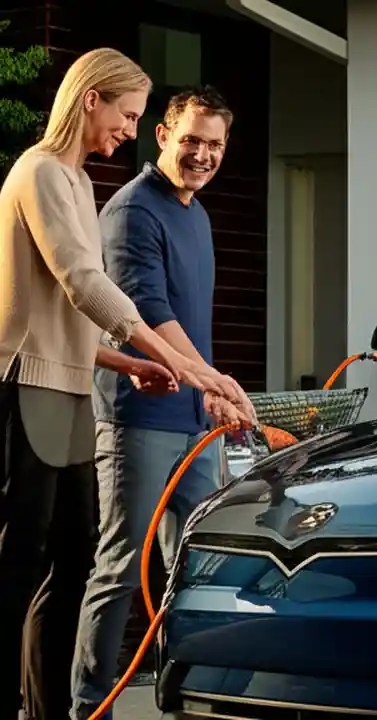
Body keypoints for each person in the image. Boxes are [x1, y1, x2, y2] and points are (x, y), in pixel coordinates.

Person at [0, 49, 251, 720]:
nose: (128, 129)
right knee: (28, 564)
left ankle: (51, 707)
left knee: (75, 560)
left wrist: (132, 364)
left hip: (78, 389)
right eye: (129, 114)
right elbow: (87, 287)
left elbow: (77, 325)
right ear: (91, 100)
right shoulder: (46, 175)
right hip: (30, 392)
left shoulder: (79, 184)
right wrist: (197, 371)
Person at [69, 85, 258, 720]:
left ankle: (184, 697)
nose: (203, 154)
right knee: (123, 564)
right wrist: (215, 380)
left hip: (192, 421)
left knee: (194, 566)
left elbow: (189, 323)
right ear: (161, 137)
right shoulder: (131, 212)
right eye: (192, 141)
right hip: (138, 417)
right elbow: (148, 315)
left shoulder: (196, 213)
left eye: (215, 144)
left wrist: (208, 393)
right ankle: (88, 705)